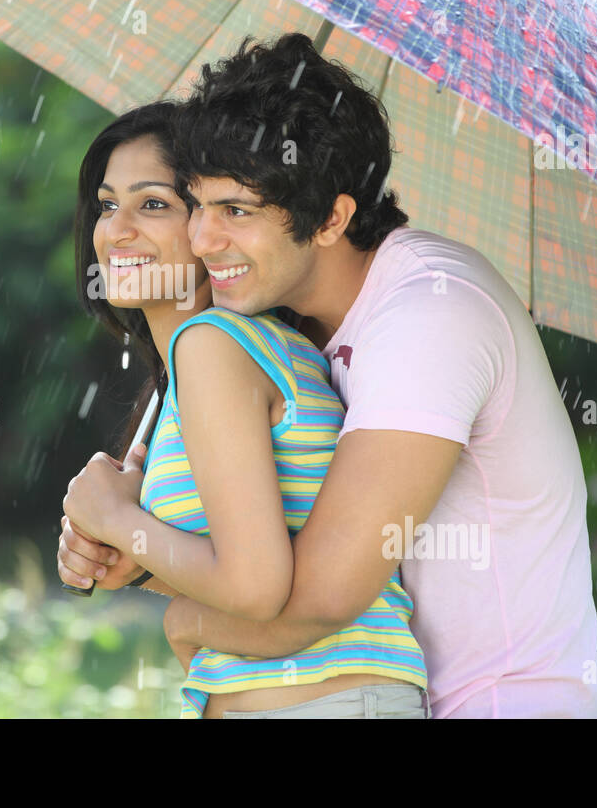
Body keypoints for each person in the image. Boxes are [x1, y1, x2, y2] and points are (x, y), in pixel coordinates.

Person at [59, 33, 597, 718]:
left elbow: (312, 598)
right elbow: (269, 540)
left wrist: (181, 617)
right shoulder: (287, 330)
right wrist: (138, 551)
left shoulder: (429, 314)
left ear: (331, 218)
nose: (203, 241)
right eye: (197, 204)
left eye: (237, 211)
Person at [59, 101, 428, 718]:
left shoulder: (215, 348)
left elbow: (255, 588)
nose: (115, 229)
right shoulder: (211, 359)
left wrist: (116, 519)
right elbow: (252, 568)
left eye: (152, 204)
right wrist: (137, 561)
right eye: (105, 203)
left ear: (205, 225)